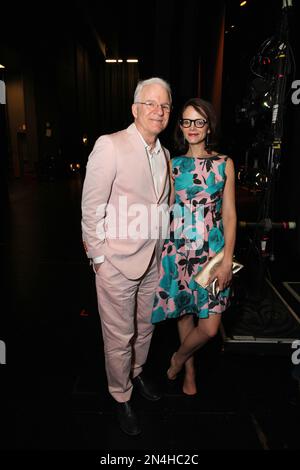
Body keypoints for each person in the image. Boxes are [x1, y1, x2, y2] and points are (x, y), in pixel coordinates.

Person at [81, 77, 172, 436]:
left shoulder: (164, 154)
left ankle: (136, 374)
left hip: (153, 260)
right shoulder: (111, 145)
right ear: (135, 109)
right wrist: (100, 259)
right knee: (119, 336)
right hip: (116, 263)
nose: (158, 111)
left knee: (146, 327)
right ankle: (121, 396)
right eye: (150, 103)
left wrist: (162, 250)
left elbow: (160, 205)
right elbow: (92, 208)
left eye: (164, 105)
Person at [152, 97, 237, 396]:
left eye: (199, 121)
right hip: (179, 250)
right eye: (186, 121)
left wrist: (227, 260)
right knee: (185, 313)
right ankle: (189, 370)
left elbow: (229, 215)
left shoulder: (224, 163)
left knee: (211, 327)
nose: (192, 127)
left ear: (209, 125)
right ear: (180, 126)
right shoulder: (173, 164)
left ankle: (178, 357)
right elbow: (167, 208)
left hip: (212, 254)